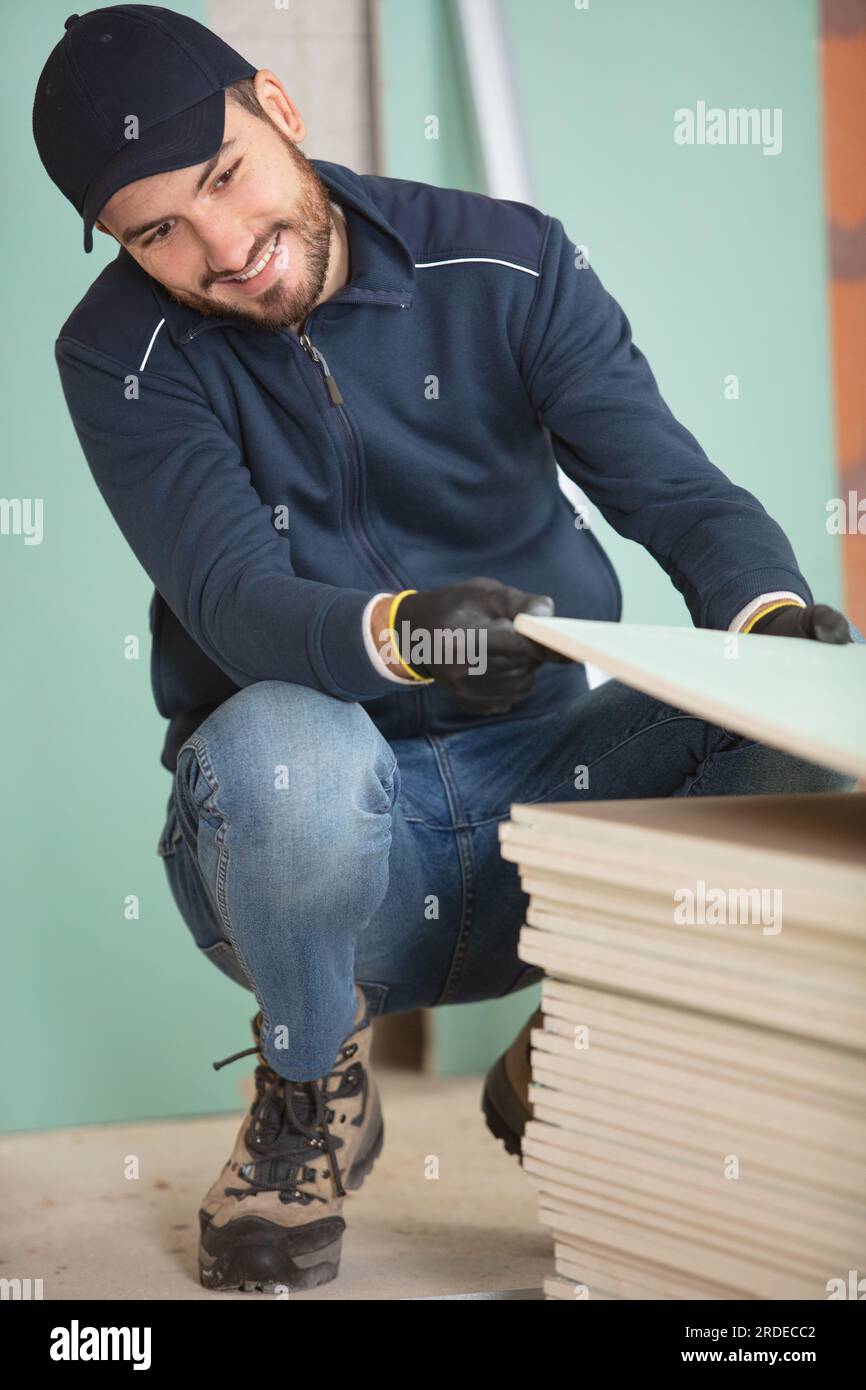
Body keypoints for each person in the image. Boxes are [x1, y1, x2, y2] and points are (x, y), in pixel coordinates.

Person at [34, 6, 860, 1294]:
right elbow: (233, 596)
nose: (224, 250)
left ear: (280, 112)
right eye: (157, 234)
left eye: (224, 180)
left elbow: (681, 496)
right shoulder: (118, 357)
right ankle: (308, 1086)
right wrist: (408, 637)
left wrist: (773, 623)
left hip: (553, 810)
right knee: (280, 743)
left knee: (805, 720)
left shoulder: (510, 265)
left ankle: (591, 1040)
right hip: (307, 851)